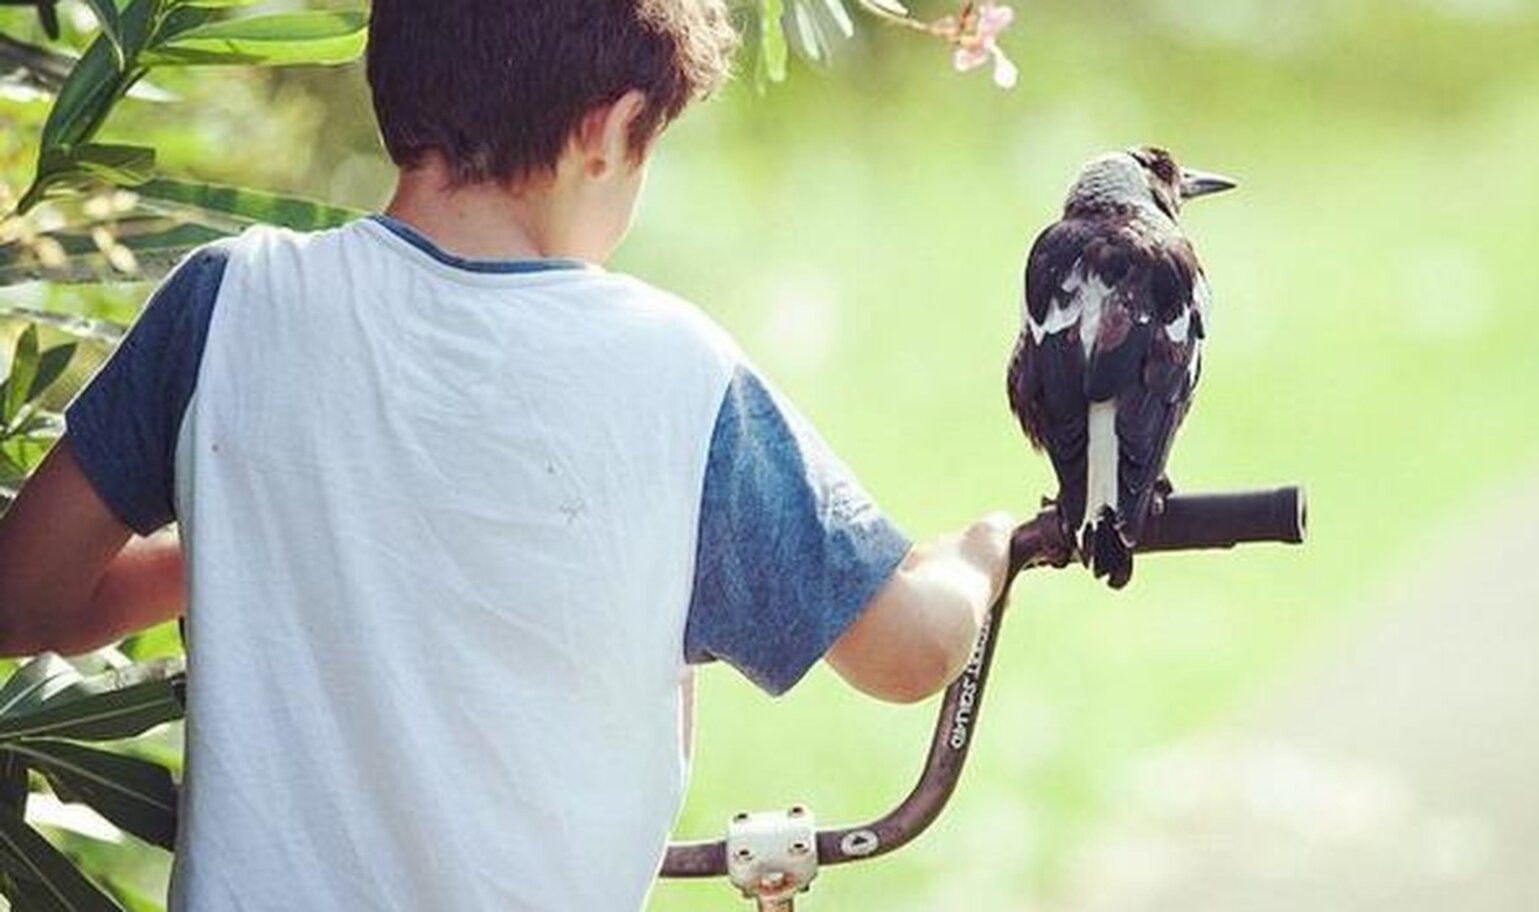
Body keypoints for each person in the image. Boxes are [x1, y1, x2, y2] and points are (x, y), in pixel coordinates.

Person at [0, 1, 1013, 907]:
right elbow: (908, 653)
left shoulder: (229, 302)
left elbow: (24, 603)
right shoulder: (677, 377)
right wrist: (981, 554)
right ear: (611, 131)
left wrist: (258, 550)